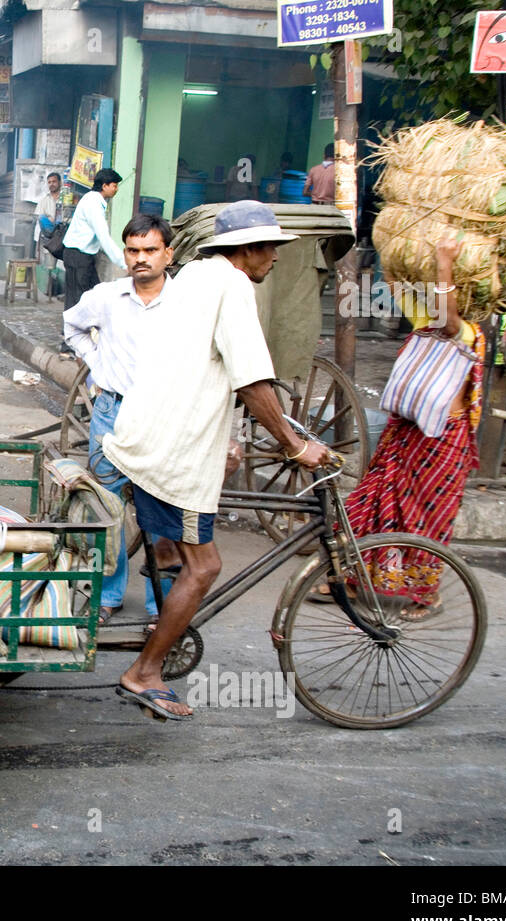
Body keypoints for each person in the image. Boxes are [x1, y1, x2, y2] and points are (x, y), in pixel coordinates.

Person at [103, 201, 332, 720]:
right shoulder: (230, 287)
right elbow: (251, 378)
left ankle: (158, 635)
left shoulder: (193, 277)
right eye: (270, 248)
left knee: (173, 553)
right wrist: (295, 446)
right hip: (173, 453)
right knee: (204, 565)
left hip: (151, 437)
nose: (274, 258)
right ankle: (145, 672)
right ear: (247, 249)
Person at [333, 237, 483, 621]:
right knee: (371, 503)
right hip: (406, 435)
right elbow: (400, 286)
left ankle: (426, 595)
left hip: (442, 442)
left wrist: (444, 262)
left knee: (424, 519)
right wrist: (397, 247)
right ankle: (352, 579)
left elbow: (448, 321)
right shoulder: (422, 321)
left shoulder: (466, 332)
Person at [64, 213, 180, 628]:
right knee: (108, 509)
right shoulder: (106, 297)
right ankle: (107, 596)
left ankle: (159, 607)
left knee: (161, 511)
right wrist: (97, 364)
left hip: (163, 415)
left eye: (150, 250)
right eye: (133, 250)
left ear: (169, 252)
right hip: (112, 414)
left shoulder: (185, 301)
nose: (141, 258)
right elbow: (72, 327)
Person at [62, 168, 126, 310]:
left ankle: (71, 330)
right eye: (114, 186)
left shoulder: (91, 199)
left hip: (76, 253)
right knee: (82, 297)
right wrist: (123, 262)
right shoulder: (94, 204)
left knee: (82, 295)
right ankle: (74, 330)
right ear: (104, 186)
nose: (116, 190)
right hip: (79, 256)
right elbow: (103, 236)